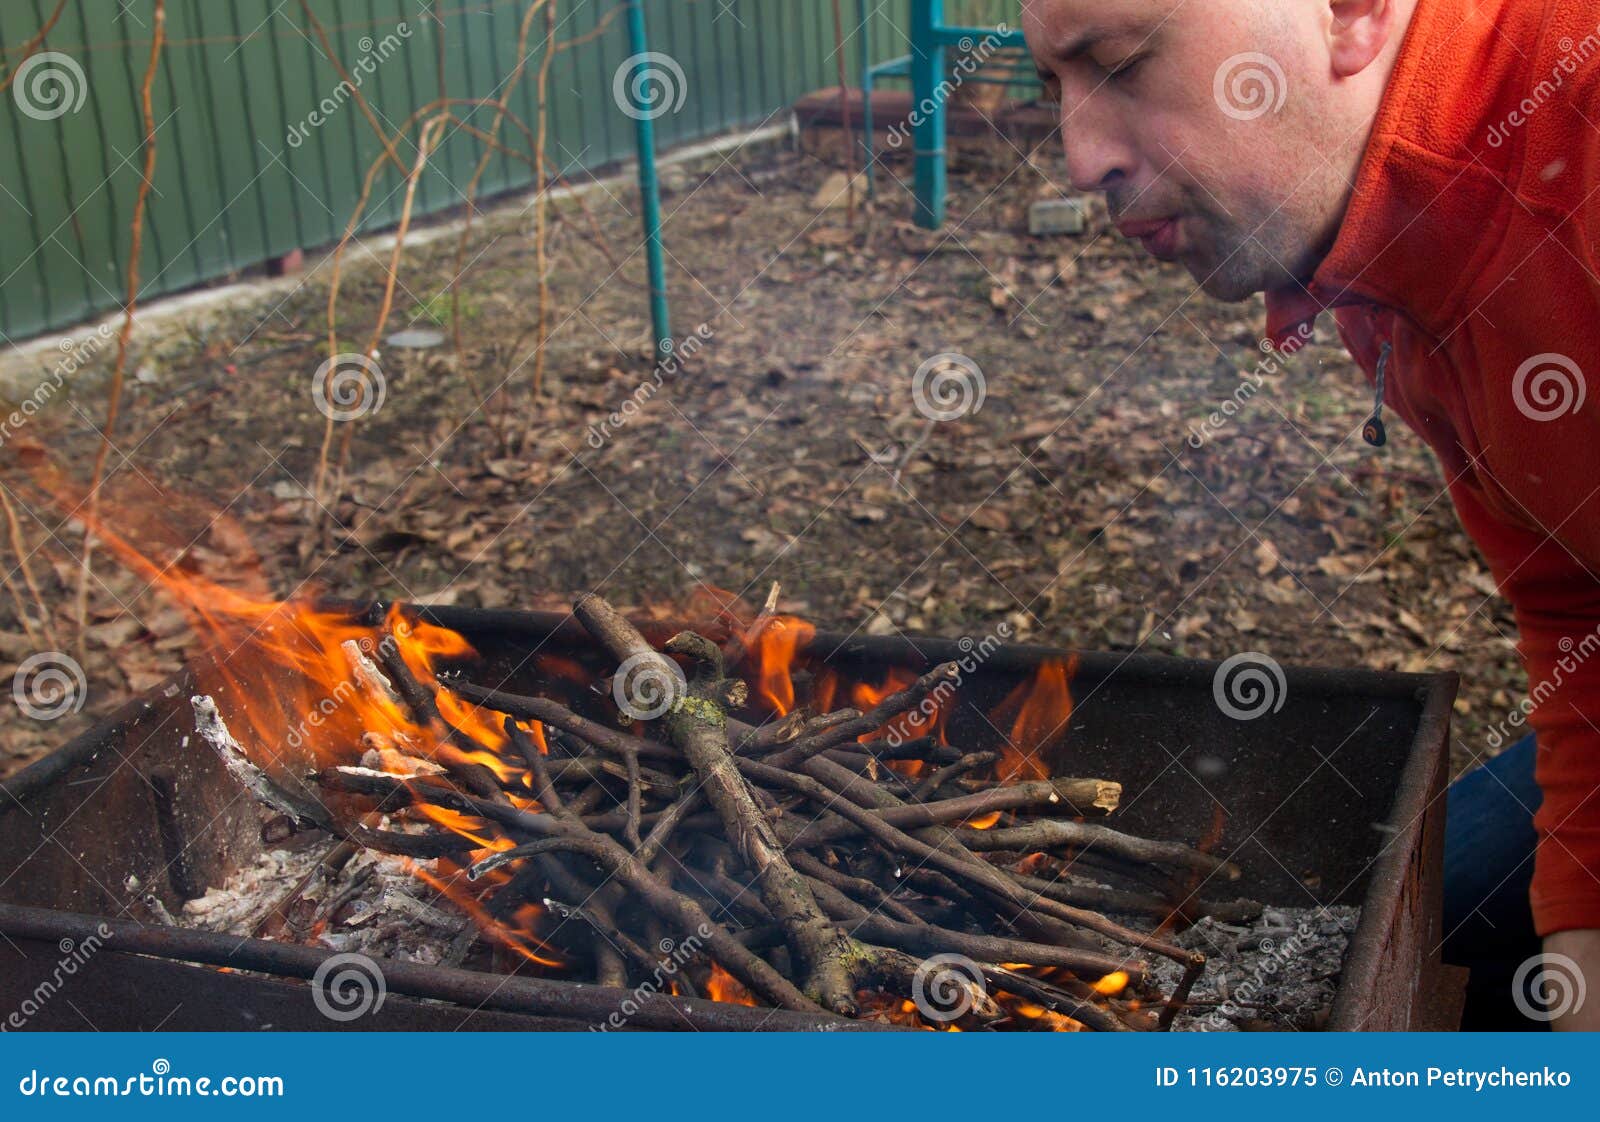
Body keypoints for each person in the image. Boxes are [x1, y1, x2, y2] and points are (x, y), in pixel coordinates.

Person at [1021, 0, 1600, 1029]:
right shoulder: (1379, 265)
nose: (1079, 160)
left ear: (1349, 12)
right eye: (1051, 88)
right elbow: (1571, 605)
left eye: (1117, 64)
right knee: (1385, 937)